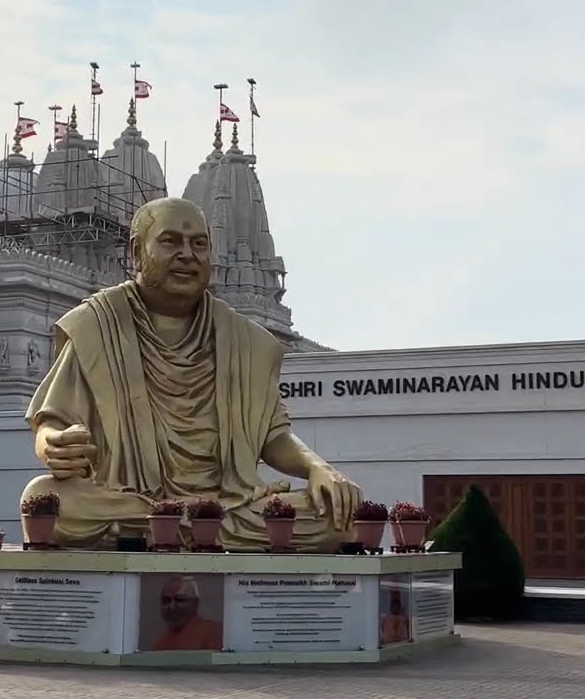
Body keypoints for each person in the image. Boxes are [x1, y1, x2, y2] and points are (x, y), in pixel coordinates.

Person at [20, 197, 363, 552]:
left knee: (341, 517)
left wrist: (317, 468)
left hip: (231, 503)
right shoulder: (96, 325)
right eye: (170, 241)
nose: (188, 254)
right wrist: (53, 445)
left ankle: (172, 530)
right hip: (132, 498)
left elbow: (274, 437)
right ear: (137, 252)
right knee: (45, 499)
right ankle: (184, 529)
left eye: (199, 244)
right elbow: (52, 421)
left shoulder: (246, 340)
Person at [151, 576, 223, 651]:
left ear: (195, 603)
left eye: (179, 599)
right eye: (166, 600)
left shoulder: (213, 633)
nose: (172, 606)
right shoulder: (161, 642)